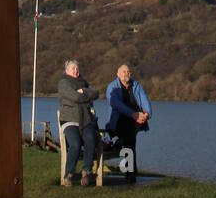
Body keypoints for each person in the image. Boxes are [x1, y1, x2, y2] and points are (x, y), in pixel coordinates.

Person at [105, 63, 151, 184]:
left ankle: (121, 144)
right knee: (130, 139)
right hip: (118, 122)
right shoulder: (112, 87)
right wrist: (133, 114)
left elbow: (145, 101)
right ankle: (130, 173)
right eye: (124, 72)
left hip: (135, 121)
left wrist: (146, 114)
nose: (127, 74)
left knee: (129, 137)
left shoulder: (136, 86)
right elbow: (116, 104)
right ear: (118, 74)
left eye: (128, 72)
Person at [58, 58, 99, 187]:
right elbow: (74, 97)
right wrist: (87, 97)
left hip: (85, 119)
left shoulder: (83, 82)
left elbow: (96, 93)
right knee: (75, 144)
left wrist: (84, 91)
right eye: (73, 69)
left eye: (77, 68)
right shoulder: (63, 83)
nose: (76, 71)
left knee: (90, 138)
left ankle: (86, 171)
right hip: (69, 120)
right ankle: (68, 175)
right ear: (67, 70)